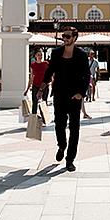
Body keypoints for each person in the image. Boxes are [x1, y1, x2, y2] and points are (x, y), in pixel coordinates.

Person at [39, 26, 91, 172]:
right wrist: (41, 88)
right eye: (64, 36)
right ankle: (62, 145)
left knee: (75, 129)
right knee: (59, 125)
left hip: (75, 96)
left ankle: (70, 160)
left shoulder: (81, 55)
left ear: (75, 38)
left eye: (68, 36)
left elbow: (86, 76)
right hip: (59, 94)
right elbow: (49, 72)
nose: (65, 39)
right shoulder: (56, 53)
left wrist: (81, 93)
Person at [24, 49, 49, 114]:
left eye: (41, 55)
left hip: (44, 86)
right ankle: (34, 119)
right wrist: (27, 89)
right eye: (38, 55)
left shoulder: (46, 64)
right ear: (35, 56)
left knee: (44, 103)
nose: (40, 56)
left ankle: (44, 119)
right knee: (34, 103)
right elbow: (31, 77)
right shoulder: (33, 65)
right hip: (35, 86)